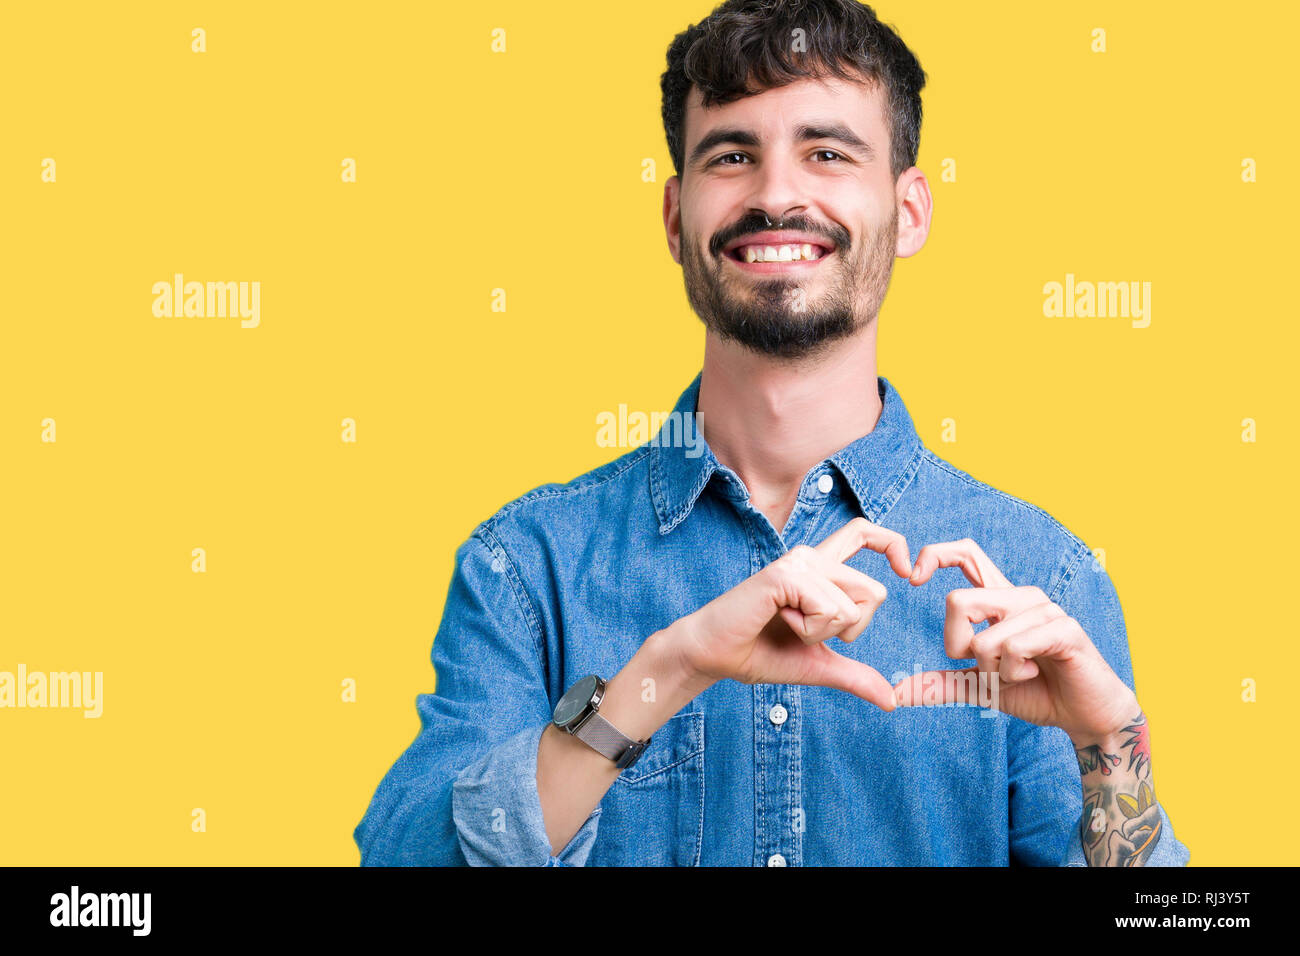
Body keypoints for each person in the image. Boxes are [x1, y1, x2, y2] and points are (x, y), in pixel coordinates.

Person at [354, 0, 1189, 866]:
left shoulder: (1042, 576)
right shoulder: (528, 567)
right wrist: (663, 674)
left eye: (827, 153)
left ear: (909, 212)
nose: (778, 194)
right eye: (732, 155)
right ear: (677, 219)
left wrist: (1110, 751)